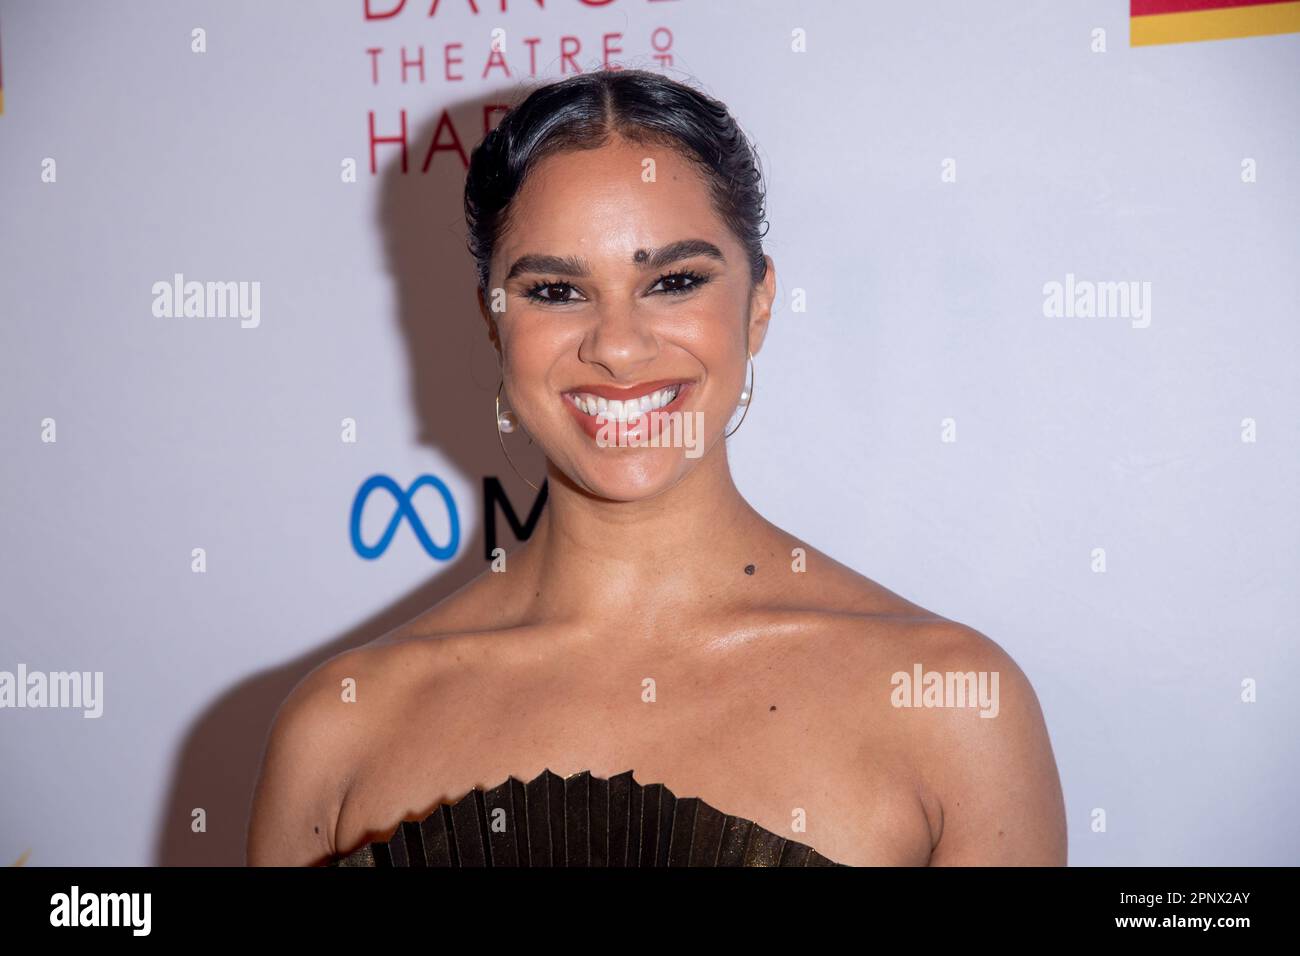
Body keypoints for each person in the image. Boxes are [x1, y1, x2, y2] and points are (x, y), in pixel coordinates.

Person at [247, 67, 1067, 867]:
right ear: (494, 324)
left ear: (759, 304)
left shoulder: (949, 704)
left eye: (673, 281)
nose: (618, 346)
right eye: (556, 292)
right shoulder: (341, 727)